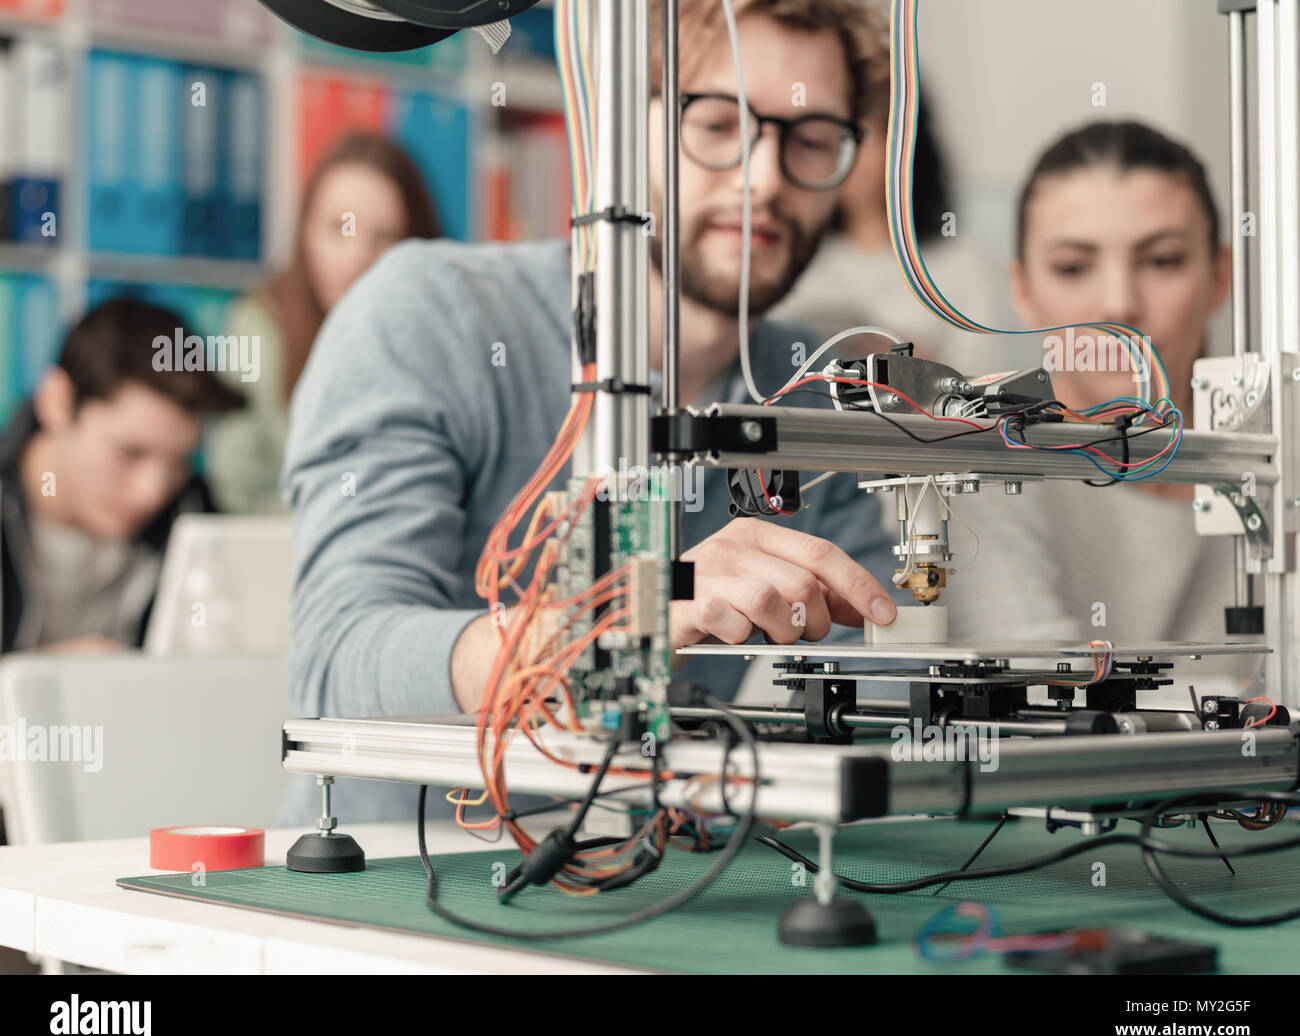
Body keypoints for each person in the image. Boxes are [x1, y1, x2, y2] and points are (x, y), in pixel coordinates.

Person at [279, 0, 906, 824]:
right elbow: (337, 665)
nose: (764, 180)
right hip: (388, 887)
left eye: (813, 138)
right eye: (716, 123)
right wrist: (611, 626)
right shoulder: (425, 313)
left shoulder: (816, 386)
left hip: (662, 895)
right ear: (617, 124)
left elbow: (873, 685)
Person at [939, 120, 1253, 702]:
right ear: (1023, 290)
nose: (1118, 303)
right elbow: (1035, 692)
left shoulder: (1271, 458)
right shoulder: (982, 468)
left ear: (1220, 276)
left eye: (1161, 260)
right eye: (1073, 267)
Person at [205, 132, 442, 514]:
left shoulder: (438, 338)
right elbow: (238, 492)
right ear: (305, 233)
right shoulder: (258, 324)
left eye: (384, 237)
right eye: (338, 228)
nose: (357, 256)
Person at [0, 297, 244, 652]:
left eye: (179, 462)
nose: (151, 493)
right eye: (130, 453)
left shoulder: (191, 511)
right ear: (57, 402)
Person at [771, 92, 1006, 376]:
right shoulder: (790, 254)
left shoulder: (962, 262)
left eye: (859, 136)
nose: (842, 156)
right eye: (824, 140)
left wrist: (926, 371)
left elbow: (981, 388)